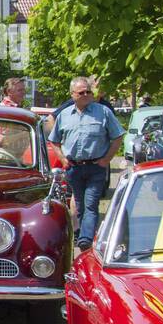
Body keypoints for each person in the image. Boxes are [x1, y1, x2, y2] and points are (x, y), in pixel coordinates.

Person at [49, 76, 125, 251]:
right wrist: (62, 159)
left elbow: (118, 136)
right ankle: (85, 235)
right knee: (80, 206)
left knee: (91, 204)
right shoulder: (65, 115)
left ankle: (85, 239)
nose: (85, 95)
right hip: (74, 168)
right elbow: (54, 140)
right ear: (72, 94)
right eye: (81, 92)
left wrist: (106, 160)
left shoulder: (103, 112)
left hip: (95, 167)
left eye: (88, 91)